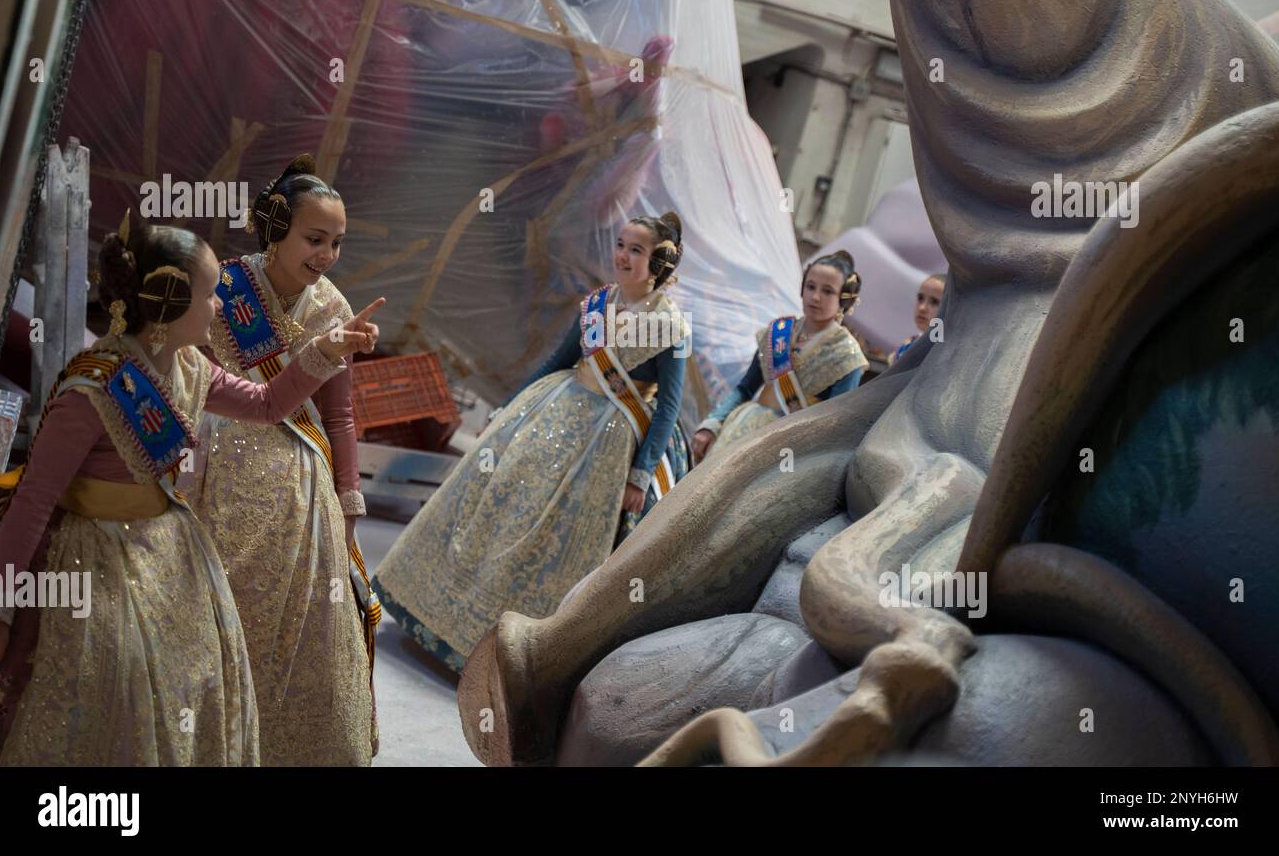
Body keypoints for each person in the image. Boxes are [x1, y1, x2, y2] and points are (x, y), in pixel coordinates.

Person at [0, 214, 381, 765]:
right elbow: (33, 500)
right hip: (95, 563)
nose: (220, 307)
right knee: (112, 693)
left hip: (172, 555)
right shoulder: (92, 388)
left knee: (193, 685)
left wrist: (329, 347)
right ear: (168, 306)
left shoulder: (192, 368)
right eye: (208, 296)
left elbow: (268, 405)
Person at [372, 211, 690, 673]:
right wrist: (506, 413)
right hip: (553, 413)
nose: (622, 256)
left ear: (658, 263)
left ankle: (517, 657)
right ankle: (438, 616)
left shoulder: (672, 328)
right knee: (498, 503)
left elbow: (668, 407)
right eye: (620, 244)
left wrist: (641, 474)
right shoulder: (596, 305)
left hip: (611, 441)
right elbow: (554, 363)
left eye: (636, 250)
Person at [184, 155, 376, 765]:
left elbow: (340, 417)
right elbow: (188, 374)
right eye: (314, 239)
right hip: (213, 468)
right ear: (275, 230)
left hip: (300, 477)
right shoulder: (224, 289)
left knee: (305, 630)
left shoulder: (334, 308)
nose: (326, 254)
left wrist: (348, 499)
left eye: (337, 243)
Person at [691, 251, 867, 460]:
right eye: (810, 287)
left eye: (827, 291)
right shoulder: (778, 332)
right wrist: (713, 423)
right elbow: (746, 388)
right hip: (742, 431)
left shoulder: (847, 354)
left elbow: (835, 423)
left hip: (792, 447)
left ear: (843, 300)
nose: (816, 297)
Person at [888, 273, 946, 365]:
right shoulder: (906, 346)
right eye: (920, 298)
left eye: (935, 302)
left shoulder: (947, 354)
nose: (922, 308)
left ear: (950, 308)